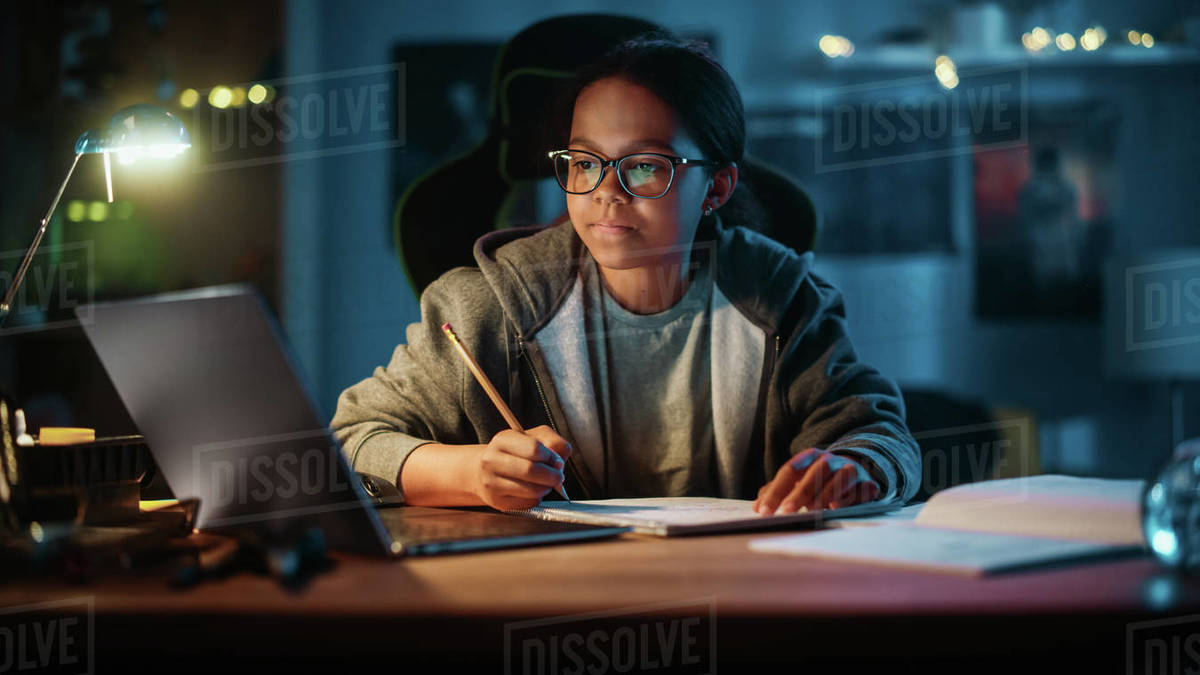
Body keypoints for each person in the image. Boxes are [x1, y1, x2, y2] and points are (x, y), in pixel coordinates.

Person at [330, 33, 921, 515]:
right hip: (544, 598)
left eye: (642, 167)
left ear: (715, 186)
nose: (605, 193)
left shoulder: (782, 300)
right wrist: (466, 472)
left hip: (739, 593)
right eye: (585, 162)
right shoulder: (486, 308)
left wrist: (854, 469)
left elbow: (880, 436)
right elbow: (348, 442)